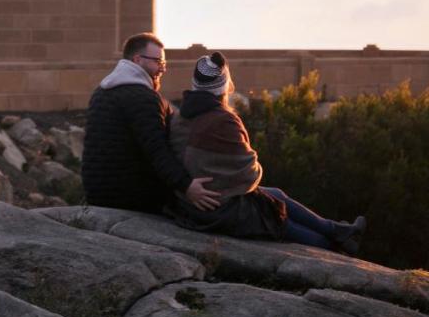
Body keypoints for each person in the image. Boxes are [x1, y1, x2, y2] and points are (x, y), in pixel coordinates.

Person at [168, 52, 366, 254]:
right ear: (224, 86)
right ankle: (335, 249)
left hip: (194, 204)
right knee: (277, 218)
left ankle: (338, 231)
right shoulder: (223, 120)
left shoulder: (179, 117)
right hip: (218, 210)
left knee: (276, 195)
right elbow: (249, 174)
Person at [82, 33, 221, 214]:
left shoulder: (102, 91)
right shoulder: (143, 97)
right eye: (158, 62)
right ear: (138, 60)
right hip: (130, 198)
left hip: (97, 194)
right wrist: (187, 186)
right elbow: (156, 150)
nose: (162, 69)